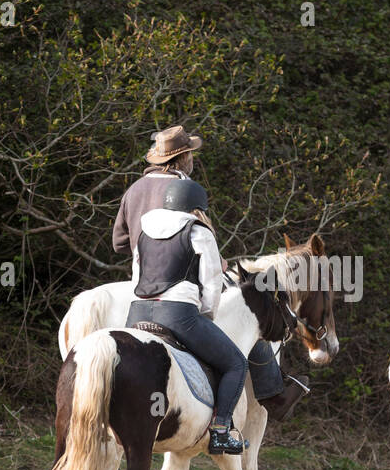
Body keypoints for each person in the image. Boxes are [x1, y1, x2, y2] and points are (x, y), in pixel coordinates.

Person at [113, 125, 307, 421]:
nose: (193, 159)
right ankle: (268, 395)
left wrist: (153, 254)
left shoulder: (133, 189)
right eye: (191, 153)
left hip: (140, 290)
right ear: (182, 157)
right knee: (250, 315)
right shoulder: (183, 190)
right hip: (179, 296)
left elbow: (119, 243)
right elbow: (210, 270)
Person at [126, 179, 250, 456]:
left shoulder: (144, 232)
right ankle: (220, 432)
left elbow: (136, 275)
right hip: (178, 315)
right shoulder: (198, 231)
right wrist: (206, 315)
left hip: (137, 311)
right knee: (236, 363)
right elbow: (212, 281)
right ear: (197, 209)